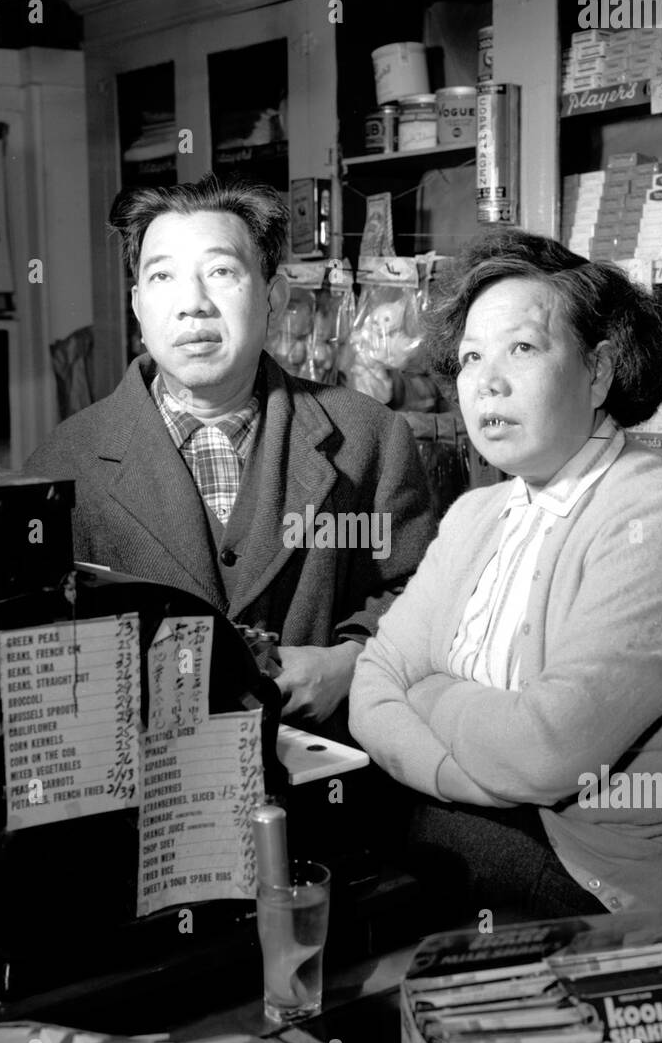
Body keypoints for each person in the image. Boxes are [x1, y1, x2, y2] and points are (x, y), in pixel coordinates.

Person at [349, 228, 662, 918]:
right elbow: (371, 689)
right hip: (469, 828)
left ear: (598, 372)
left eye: (522, 349)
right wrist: (462, 772)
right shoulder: (476, 513)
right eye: (471, 357)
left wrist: (432, 693)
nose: (487, 382)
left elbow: (548, 751)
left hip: (595, 887)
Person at [26, 174, 435, 733]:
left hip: (320, 779)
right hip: (144, 791)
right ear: (138, 306)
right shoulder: (64, 464)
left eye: (220, 272)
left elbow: (419, 589)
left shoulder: (369, 437)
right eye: (162, 276)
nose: (192, 304)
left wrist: (352, 660)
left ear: (273, 296)